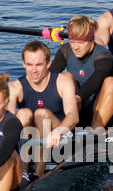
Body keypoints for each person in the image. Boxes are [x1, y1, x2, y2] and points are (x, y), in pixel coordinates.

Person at [8, 39, 78, 174]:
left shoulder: (63, 81)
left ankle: (38, 174)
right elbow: (7, 126)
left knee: (41, 114)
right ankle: (23, 173)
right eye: (29, 65)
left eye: (39, 65)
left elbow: (73, 117)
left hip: (61, 139)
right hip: (33, 140)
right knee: (22, 114)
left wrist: (57, 131)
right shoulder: (14, 88)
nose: (33, 70)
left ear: (48, 63)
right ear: (23, 64)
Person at [49, 15, 113, 127]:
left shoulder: (104, 56)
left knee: (112, 83)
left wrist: (77, 98)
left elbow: (96, 79)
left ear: (91, 40)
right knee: (65, 77)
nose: (76, 47)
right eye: (73, 42)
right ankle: (66, 130)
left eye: (80, 43)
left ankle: (95, 133)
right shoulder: (66, 50)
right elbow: (51, 77)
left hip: (101, 111)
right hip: (75, 110)